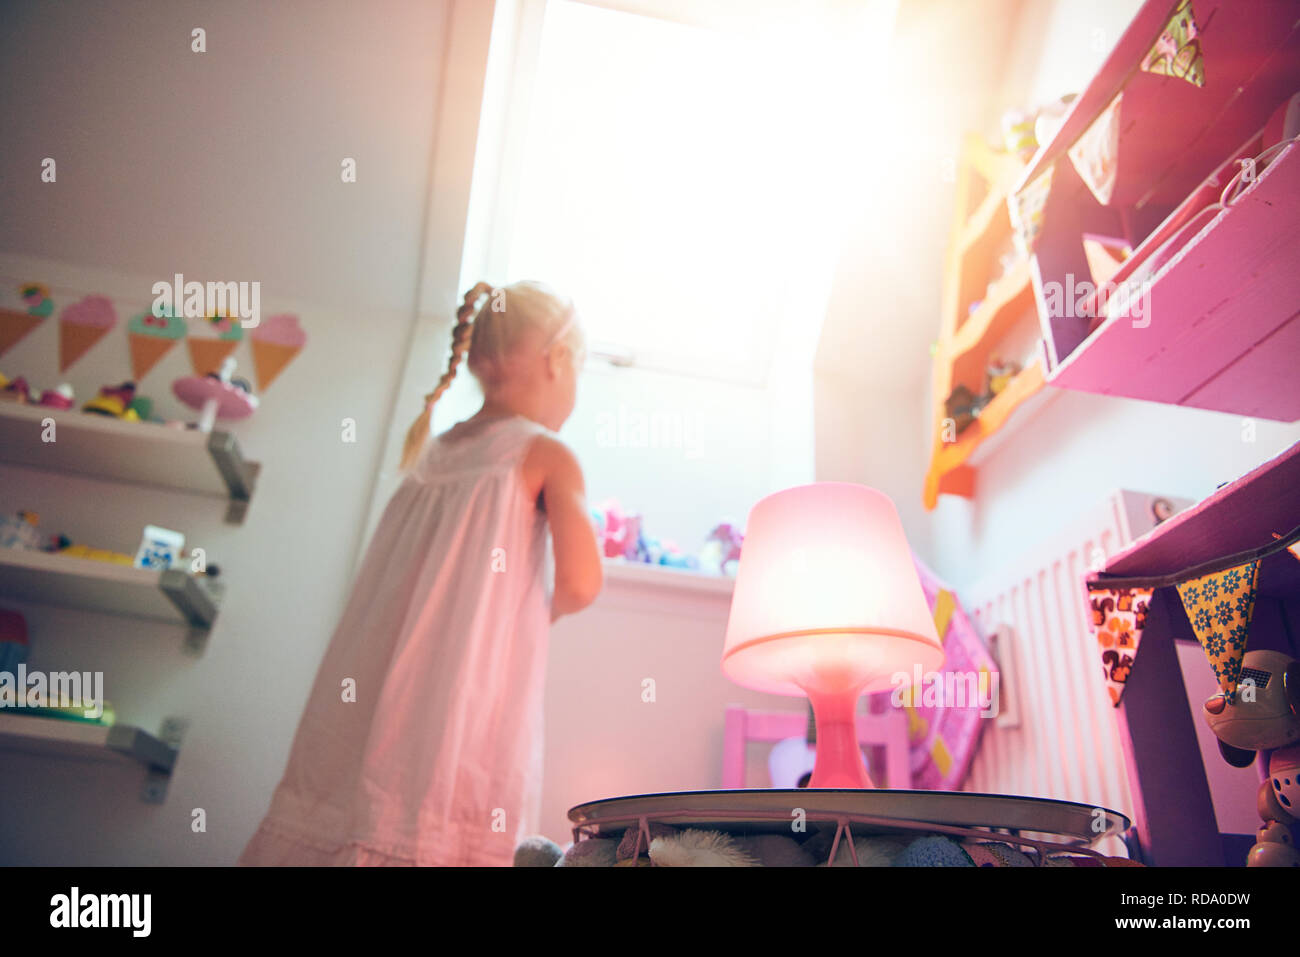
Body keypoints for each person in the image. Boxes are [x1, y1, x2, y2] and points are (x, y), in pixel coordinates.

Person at [239, 280, 603, 866]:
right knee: (434, 818)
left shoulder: (431, 453)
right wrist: (534, 612)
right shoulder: (545, 454)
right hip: (458, 697)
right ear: (557, 360)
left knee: (351, 809)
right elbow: (582, 585)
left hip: (369, 694)